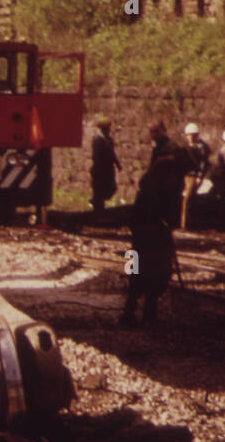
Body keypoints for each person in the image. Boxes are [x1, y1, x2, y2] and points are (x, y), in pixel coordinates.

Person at [120, 154, 185, 326]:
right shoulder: (165, 186)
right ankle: (148, 311)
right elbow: (170, 216)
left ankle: (131, 309)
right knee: (158, 271)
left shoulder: (147, 186)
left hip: (141, 235)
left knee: (137, 270)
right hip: (154, 234)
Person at [180, 122, 212, 228]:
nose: (190, 137)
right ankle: (184, 222)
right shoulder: (186, 146)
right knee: (186, 198)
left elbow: (203, 163)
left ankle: (185, 224)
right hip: (185, 174)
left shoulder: (201, 147)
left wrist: (199, 176)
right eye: (189, 135)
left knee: (188, 199)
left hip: (194, 176)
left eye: (192, 134)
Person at [89, 115, 123, 213]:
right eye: (107, 128)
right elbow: (95, 156)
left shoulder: (109, 139)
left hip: (108, 169)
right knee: (99, 192)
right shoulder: (97, 140)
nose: (108, 130)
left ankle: (97, 203)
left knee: (110, 188)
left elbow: (112, 152)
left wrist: (117, 164)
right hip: (100, 170)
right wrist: (97, 169)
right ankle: (98, 210)